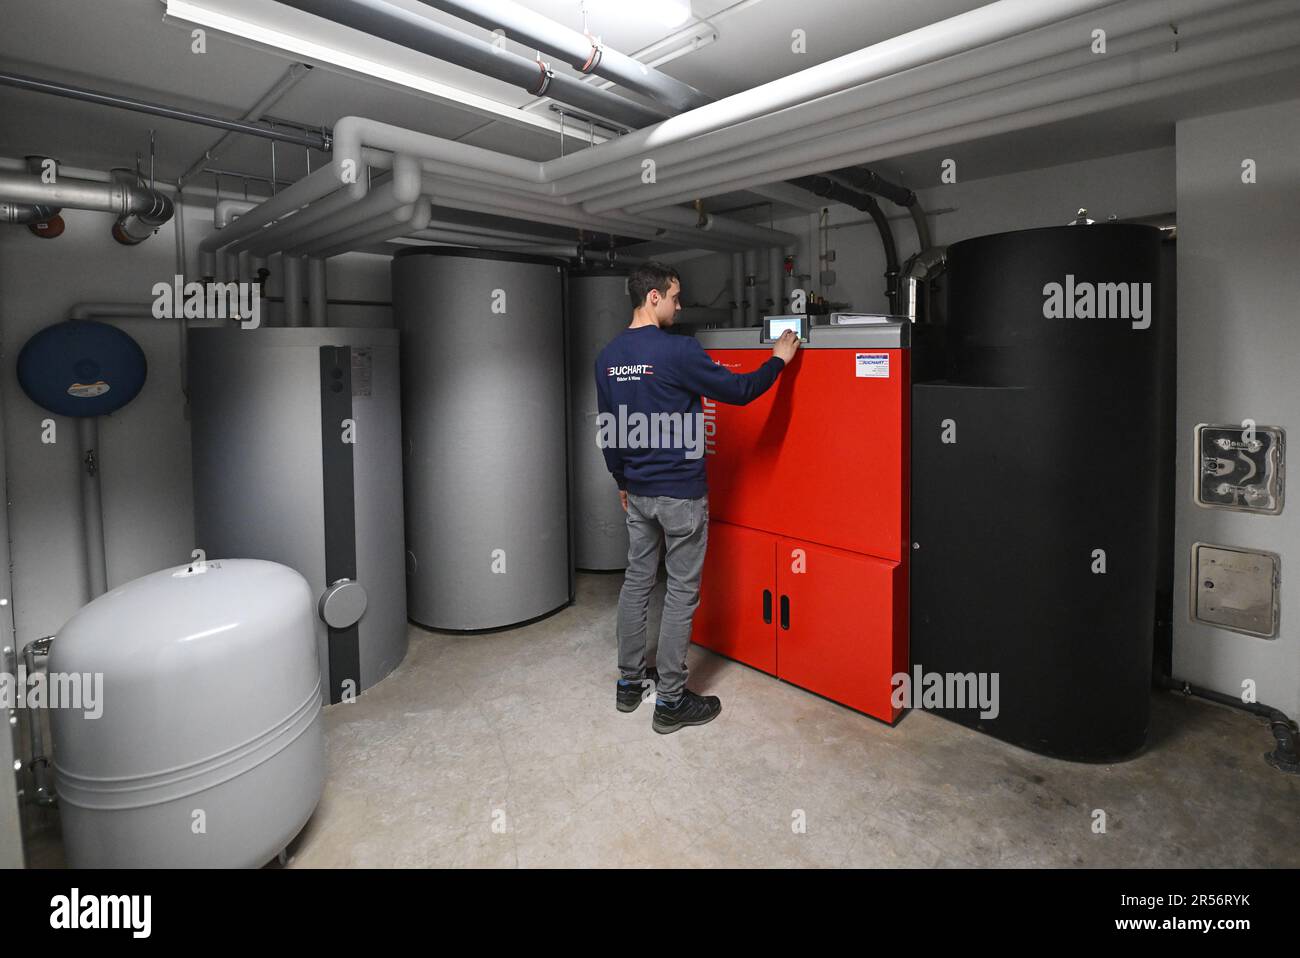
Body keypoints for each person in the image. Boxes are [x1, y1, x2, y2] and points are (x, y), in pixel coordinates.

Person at [593, 261, 800, 734]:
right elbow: (741, 391)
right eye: (674, 296)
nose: (679, 305)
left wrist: (621, 482)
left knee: (638, 582)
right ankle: (670, 701)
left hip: (639, 492)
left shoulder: (608, 356)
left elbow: (608, 429)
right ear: (653, 299)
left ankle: (629, 685)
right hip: (681, 495)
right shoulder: (678, 351)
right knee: (682, 592)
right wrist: (779, 360)